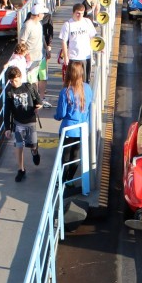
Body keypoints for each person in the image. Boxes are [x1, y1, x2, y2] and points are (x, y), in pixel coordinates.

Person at [54, 61, 93, 189]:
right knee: (75, 156)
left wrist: (56, 116)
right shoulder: (87, 88)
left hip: (68, 130)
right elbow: (89, 107)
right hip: (82, 129)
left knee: (65, 157)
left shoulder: (65, 92)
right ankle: (70, 179)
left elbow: (61, 113)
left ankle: (61, 181)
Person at [3, 66, 43, 182]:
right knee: (18, 146)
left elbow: (39, 102)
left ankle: (35, 152)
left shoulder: (29, 87)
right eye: (11, 81)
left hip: (30, 121)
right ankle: (21, 169)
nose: (14, 83)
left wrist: (38, 107)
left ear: (20, 77)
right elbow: (7, 110)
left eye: (15, 80)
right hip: (18, 123)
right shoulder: (9, 91)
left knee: (33, 145)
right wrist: (7, 128)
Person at [19, 1, 50, 106]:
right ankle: (35, 100)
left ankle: (41, 98)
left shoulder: (39, 24)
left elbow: (42, 37)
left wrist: (46, 48)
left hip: (41, 56)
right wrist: (27, 54)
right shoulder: (27, 25)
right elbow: (22, 41)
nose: (44, 15)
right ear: (38, 14)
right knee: (32, 80)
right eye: (42, 13)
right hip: (31, 59)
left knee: (43, 77)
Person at [59, 2, 96, 79]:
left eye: (82, 13)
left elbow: (92, 37)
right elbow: (64, 42)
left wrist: (98, 49)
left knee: (85, 80)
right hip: (73, 58)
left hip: (86, 56)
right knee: (74, 80)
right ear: (73, 13)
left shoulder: (87, 22)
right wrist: (66, 57)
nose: (80, 16)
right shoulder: (67, 24)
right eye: (78, 13)